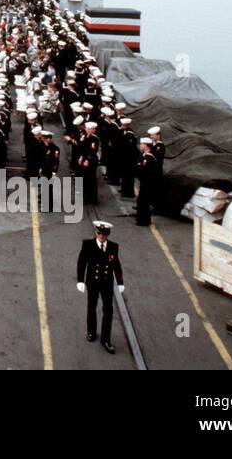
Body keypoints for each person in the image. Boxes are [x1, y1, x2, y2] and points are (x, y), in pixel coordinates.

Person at [76, 220, 124, 354]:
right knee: (92, 306)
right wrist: (80, 280)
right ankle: (91, 331)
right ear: (96, 232)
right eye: (99, 233)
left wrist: (120, 282)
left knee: (108, 311)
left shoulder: (113, 247)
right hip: (93, 282)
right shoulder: (88, 245)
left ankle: (106, 339)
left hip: (107, 283)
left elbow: (116, 265)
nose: (102, 236)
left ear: (108, 234)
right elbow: (82, 262)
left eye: (104, 234)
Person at [135, 138, 160, 226]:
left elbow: (143, 171)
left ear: (146, 145)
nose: (140, 145)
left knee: (143, 202)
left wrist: (138, 168)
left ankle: (143, 221)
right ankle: (143, 220)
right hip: (146, 183)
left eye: (142, 144)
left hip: (147, 184)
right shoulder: (145, 156)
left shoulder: (148, 158)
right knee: (142, 202)